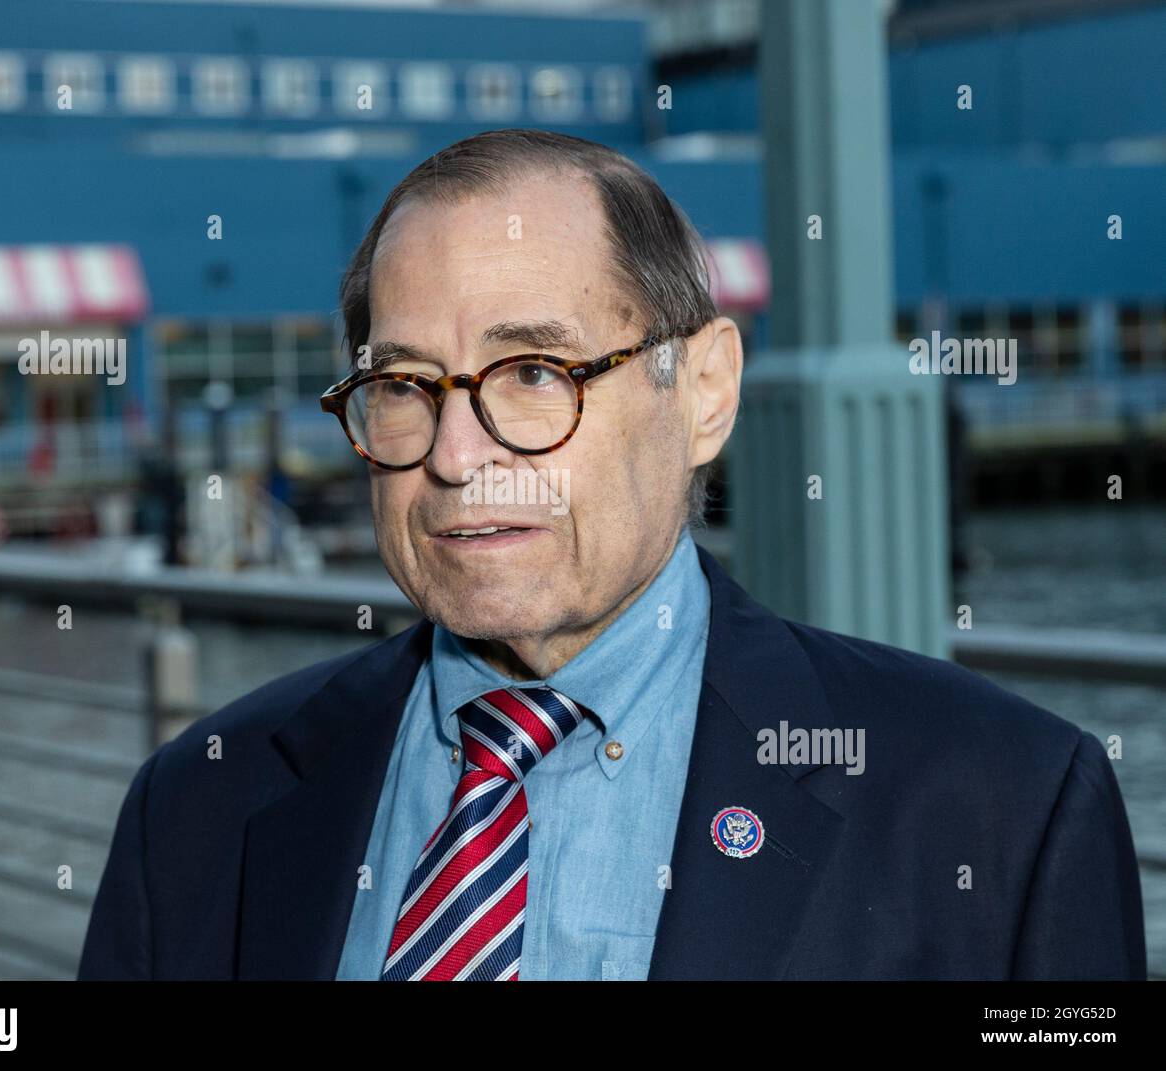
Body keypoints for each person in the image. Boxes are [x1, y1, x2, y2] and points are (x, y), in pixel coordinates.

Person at [78, 129, 1144, 981]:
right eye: (404, 386)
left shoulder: (1000, 809)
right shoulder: (196, 810)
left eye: (535, 372)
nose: (456, 457)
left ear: (706, 394)